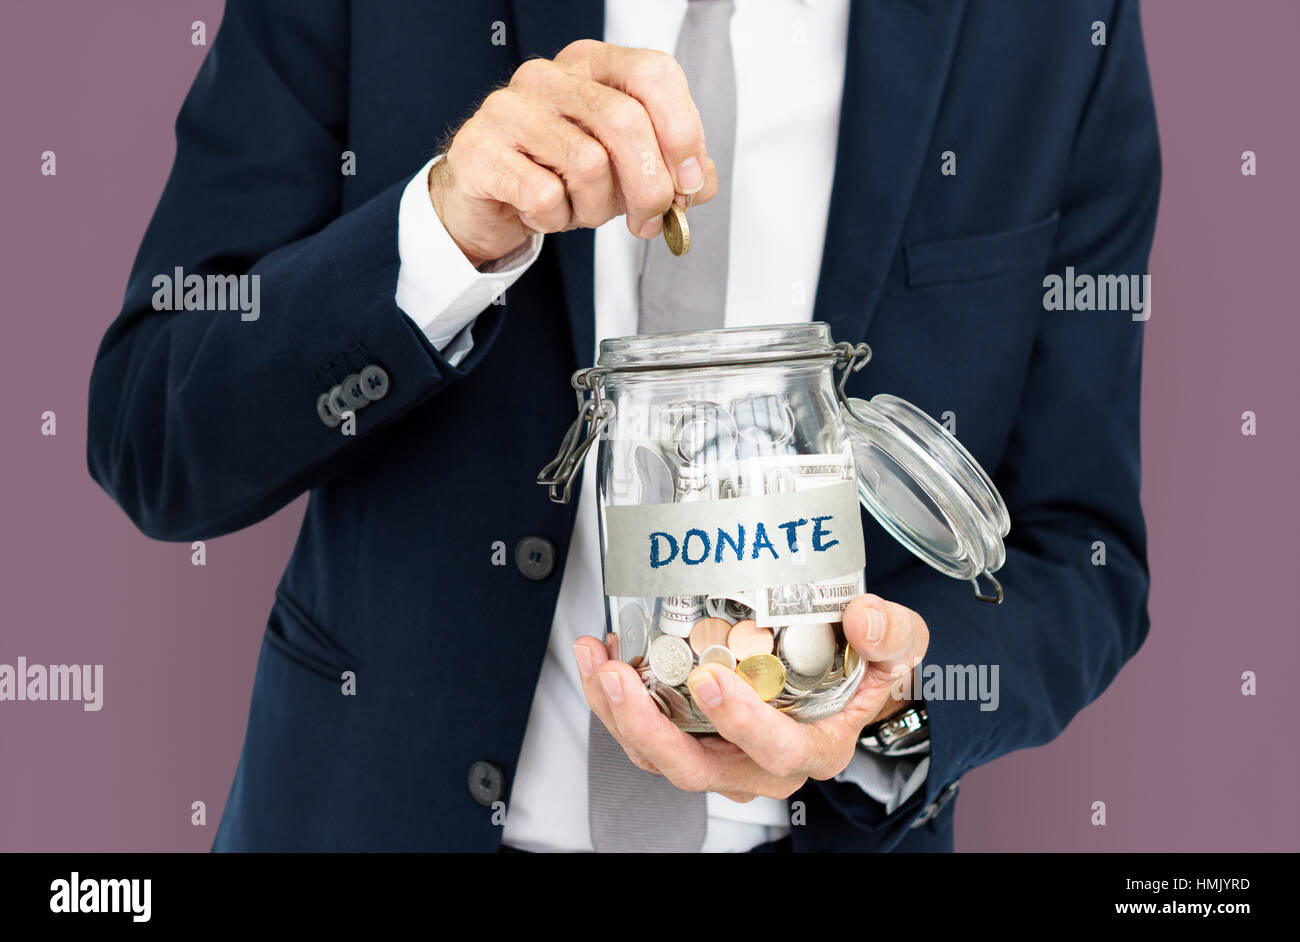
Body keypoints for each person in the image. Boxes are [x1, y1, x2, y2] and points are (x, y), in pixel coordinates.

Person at [87, 0, 1158, 852]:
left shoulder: (1058, 23)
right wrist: (439, 236)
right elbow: (154, 433)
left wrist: (882, 715)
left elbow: (1079, 552)